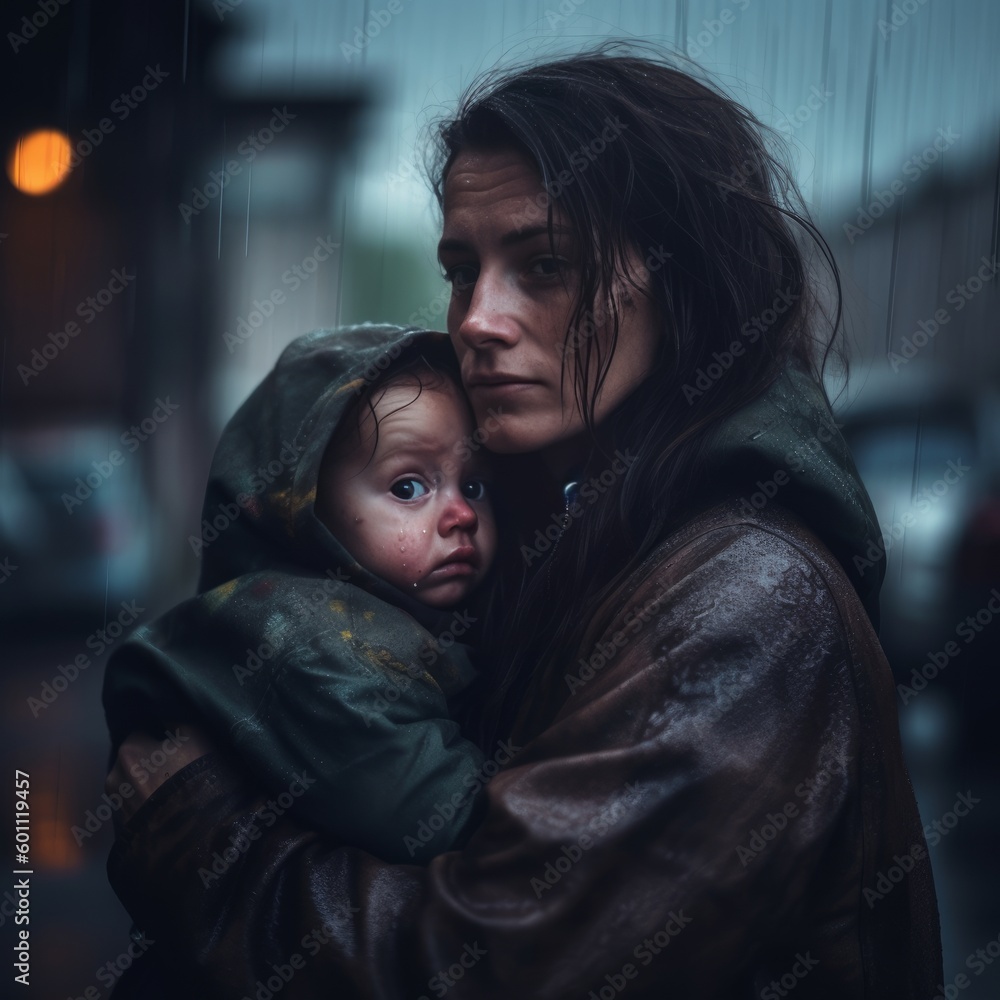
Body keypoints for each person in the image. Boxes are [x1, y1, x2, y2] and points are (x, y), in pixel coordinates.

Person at [105, 44, 942, 998]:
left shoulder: (747, 601)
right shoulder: (566, 538)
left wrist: (198, 834)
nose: (476, 320)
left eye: (545, 265)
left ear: (691, 285)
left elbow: (486, 969)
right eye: (463, 270)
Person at [103, 328, 500, 865]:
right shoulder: (314, 649)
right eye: (408, 487)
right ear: (304, 514)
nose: (462, 515)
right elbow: (454, 823)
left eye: (474, 485)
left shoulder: (404, 612)